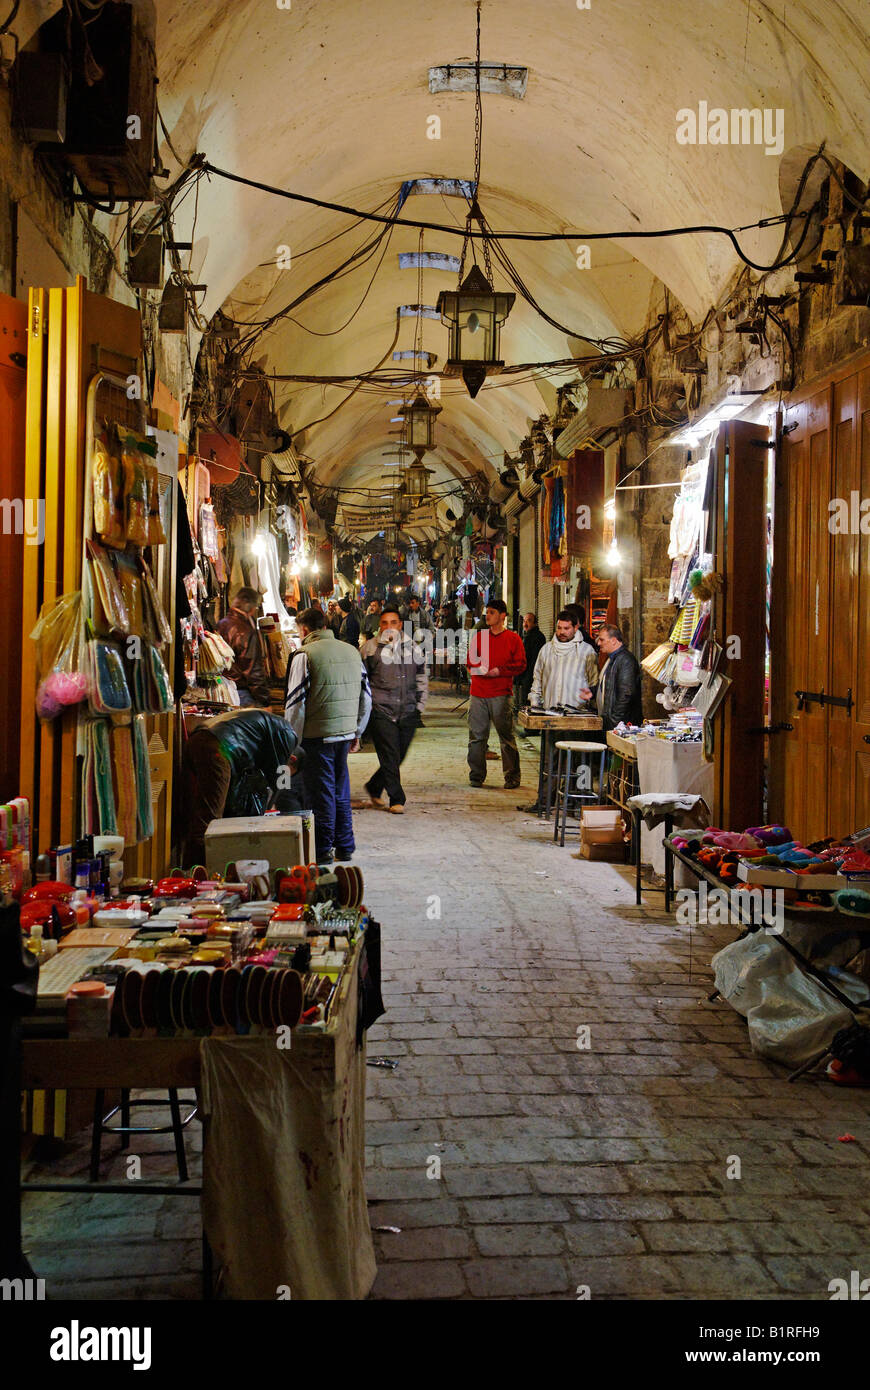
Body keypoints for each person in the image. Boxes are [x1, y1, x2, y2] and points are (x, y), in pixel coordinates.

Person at [284, 607, 371, 863]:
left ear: (304, 630)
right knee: (340, 790)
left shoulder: (304, 655)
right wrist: (357, 730)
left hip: (316, 737)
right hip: (344, 734)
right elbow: (366, 697)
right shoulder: (352, 652)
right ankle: (345, 846)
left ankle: (322, 850)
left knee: (320, 794)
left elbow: (295, 704)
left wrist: (292, 742)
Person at [181, 708, 305, 866]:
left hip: (199, 738)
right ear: (292, 760)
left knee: (197, 811)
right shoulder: (288, 736)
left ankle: (192, 868)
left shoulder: (271, 728)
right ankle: (196, 875)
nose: (286, 775)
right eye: (289, 772)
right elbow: (278, 784)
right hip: (218, 748)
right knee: (209, 821)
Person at [361, 605, 428, 813]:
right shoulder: (369, 649)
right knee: (390, 754)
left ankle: (374, 786)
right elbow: (361, 682)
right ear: (379, 626)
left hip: (408, 710)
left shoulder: (413, 648)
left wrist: (420, 706)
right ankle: (396, 798)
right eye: (384, 623)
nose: (389, 626)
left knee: (399, 755)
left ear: (400, 625)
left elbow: (422, 677)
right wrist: (366, 710)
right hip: (381, 710)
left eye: (393, 622)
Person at [466, 599, 526, 789]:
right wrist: (478, 669)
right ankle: (476, 776)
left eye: (491, 612)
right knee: (477, 737)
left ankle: (512, 777)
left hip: (501, 694)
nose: (487, 615)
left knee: (506, 737)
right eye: (487, 612)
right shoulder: (480, 638)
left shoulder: (513, 639)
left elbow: (520, 664)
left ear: (502, 616)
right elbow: (470, 661)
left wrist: (498, 671)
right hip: (478, 693)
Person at [528, 609, 599, 712]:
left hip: (577, 714)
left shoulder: (587, 651)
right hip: (550, 713)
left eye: (566, 628)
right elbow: (537, 678)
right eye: (559, 628)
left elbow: (594, 682)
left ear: (575, 628)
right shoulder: (546, 649)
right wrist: (535, 702)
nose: (562, 632)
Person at [216, 586, 271, 707]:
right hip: (242, 693)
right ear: (252, 609)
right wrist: (264, 700)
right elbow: (252, 669)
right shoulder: (246, 631)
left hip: (222, 690)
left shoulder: (221, 624)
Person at [596, 623, 643, 730]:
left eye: (602, 640)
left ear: (613, 640)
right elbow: (608, 687)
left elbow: (626, 694)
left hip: (622, 725)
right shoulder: (612, 659)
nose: (598, 643)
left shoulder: (625, 660)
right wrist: (592, 692)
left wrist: (614, 721)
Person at [515, 612, 546, 709]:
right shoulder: (527, 636)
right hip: (526, 677)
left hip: (530, 678)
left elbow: (533, 660)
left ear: (535, 623)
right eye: (524, 621)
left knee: (528, 705)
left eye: (529, 621)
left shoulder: (537, 637)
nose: (525, 624)